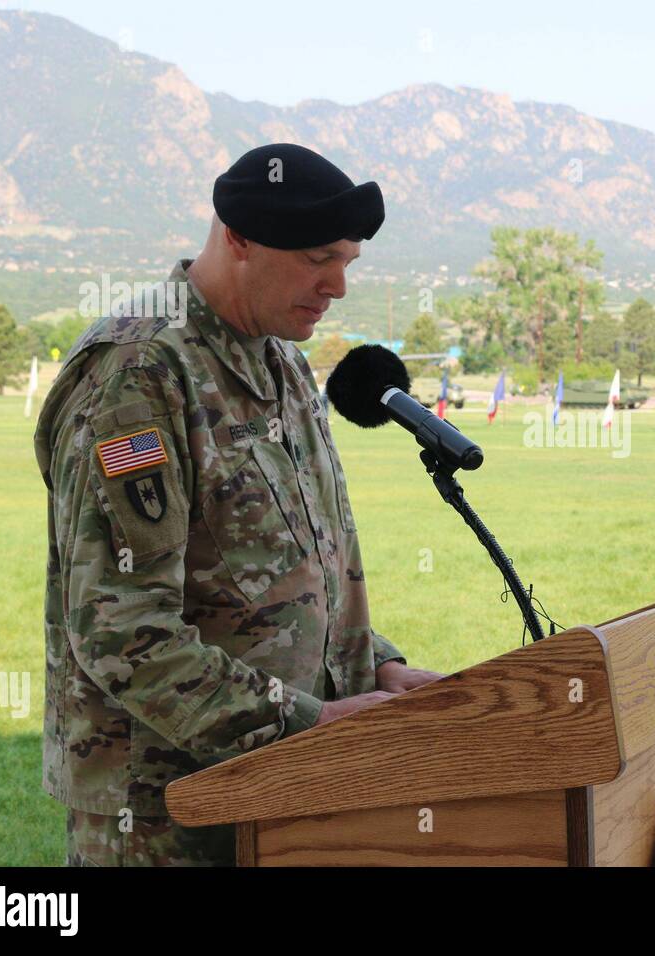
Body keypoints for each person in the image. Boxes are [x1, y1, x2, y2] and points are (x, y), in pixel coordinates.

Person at [34, 143, 443, 867]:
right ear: (239, 238)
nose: (337, 287)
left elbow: (290, 573)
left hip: (280, 782)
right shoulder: (137, 373)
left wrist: (374, 666)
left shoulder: (278, 355)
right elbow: (123, 633)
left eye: (348, 262)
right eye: (320, 258)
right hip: (168, 810)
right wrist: (308, 723)